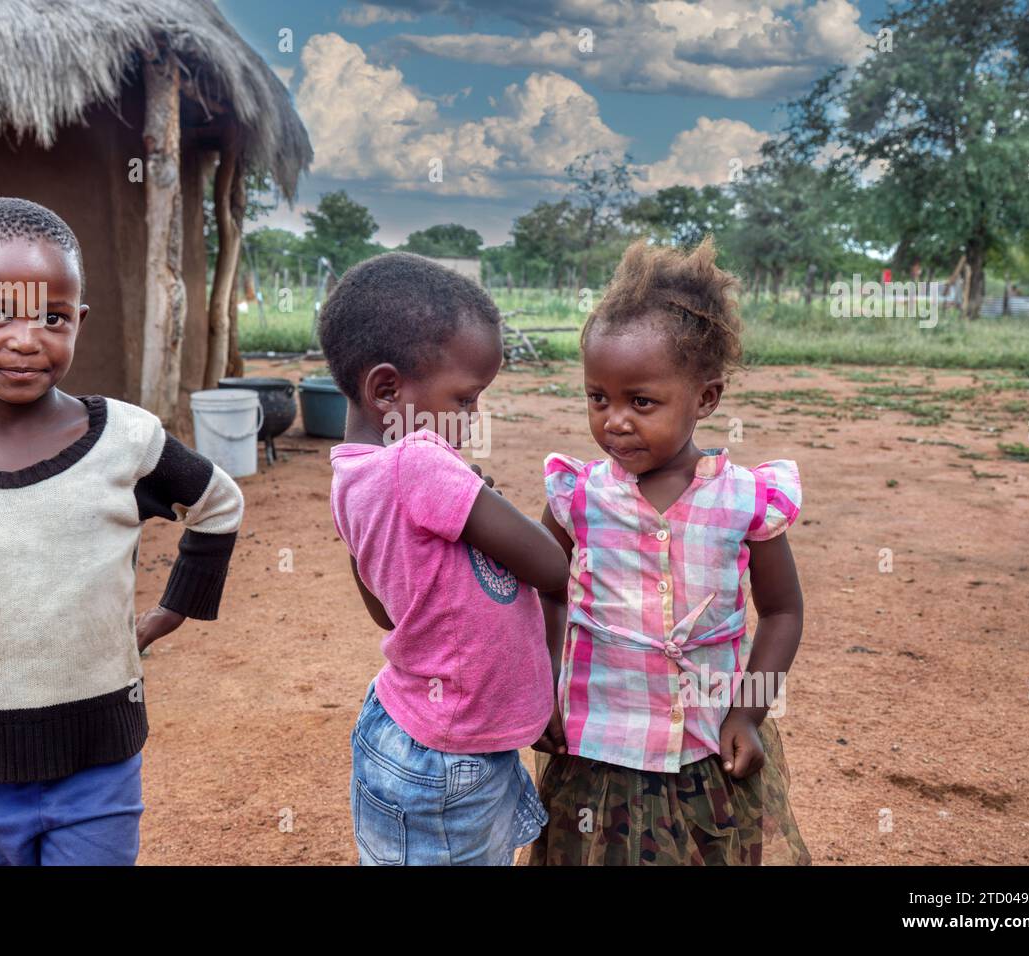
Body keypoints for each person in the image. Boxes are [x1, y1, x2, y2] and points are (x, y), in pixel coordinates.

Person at [0, 197, 244, 866]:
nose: (26, 339)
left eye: (53, 317)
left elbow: (219, 505)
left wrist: (172, 611)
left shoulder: (126, 441)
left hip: (99, 765)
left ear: (79, 321)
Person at [529, 237, 811, 865]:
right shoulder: (576, 497)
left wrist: (747, 712)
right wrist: (544, 682)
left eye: (642, 402)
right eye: (597, 397)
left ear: (705, 399)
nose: (614, 421)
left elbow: (784, 613)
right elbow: (546, 588)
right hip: (597, 748)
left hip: (708, 751)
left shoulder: (746, 501)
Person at [321, 252, 569, 865]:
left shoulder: (350, 476)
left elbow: (385, 613)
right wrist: (497, 499)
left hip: (411, 733)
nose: (473, 417)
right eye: (465, 399)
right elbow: (552, 567)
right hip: (449, 761)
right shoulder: (419, 464)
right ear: (387, 390)